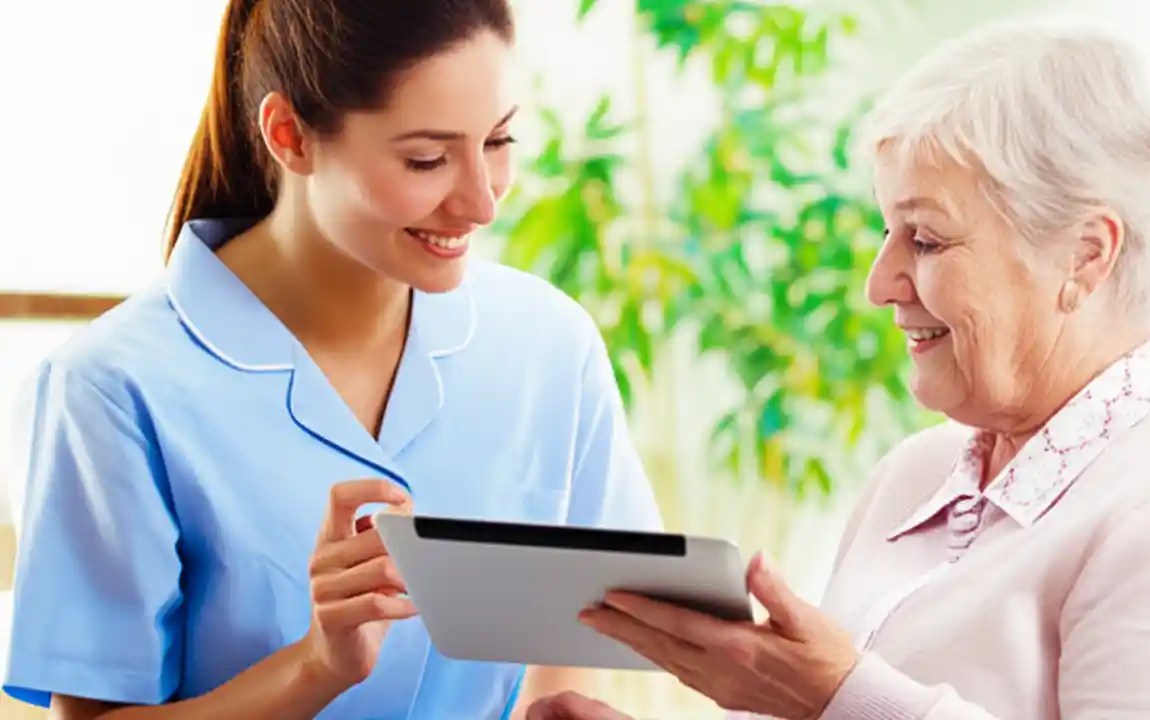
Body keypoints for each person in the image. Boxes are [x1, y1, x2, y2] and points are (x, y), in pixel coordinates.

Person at [529, 19, 1150, 720]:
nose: (878, 283)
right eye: (889, 231)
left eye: (924, 239)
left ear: (1086, 253)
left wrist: (843, 697)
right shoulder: (914, 476)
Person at [2, 0, 661, 718]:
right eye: (427, 159)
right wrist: (316, 666)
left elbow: (576, 644)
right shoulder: (113, 388)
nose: (482, 203)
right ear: (290, 136)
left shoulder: (549, 346)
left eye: (499, 141)